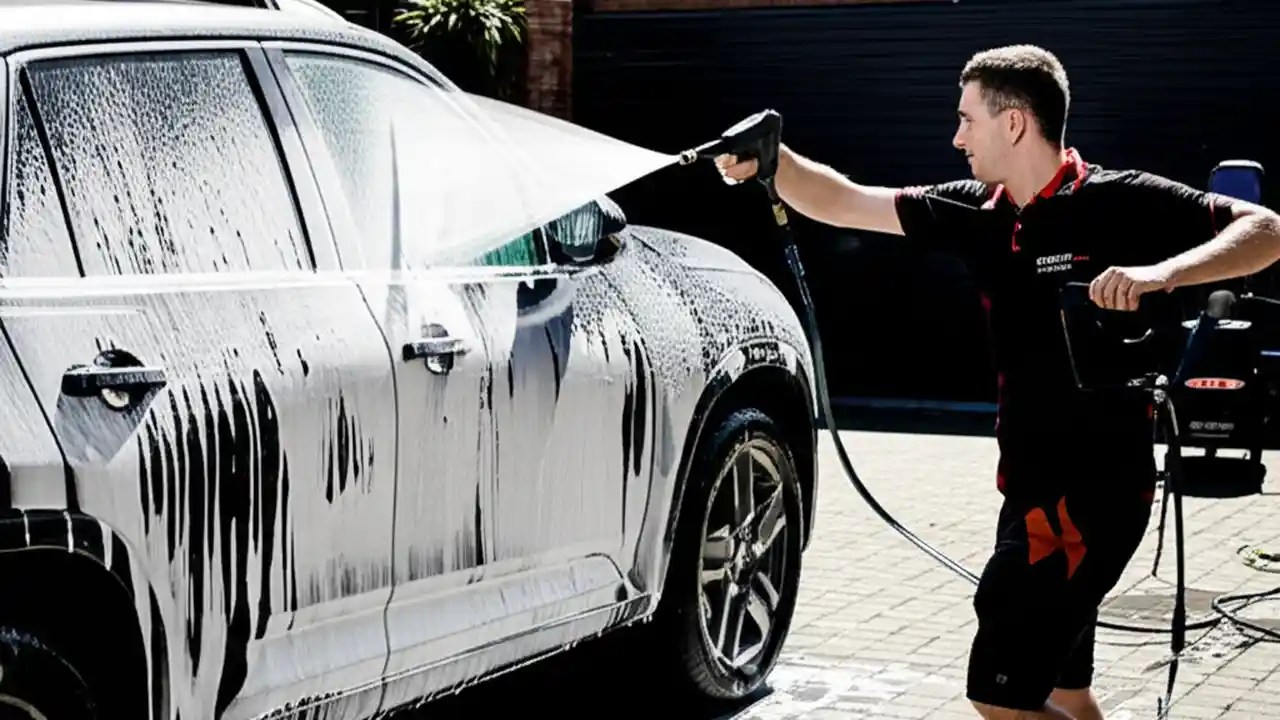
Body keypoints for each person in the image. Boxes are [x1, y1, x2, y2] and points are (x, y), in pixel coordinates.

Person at [715, 44, 1280, 720]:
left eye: (967, 120)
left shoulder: (1118, 199)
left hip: (1091, 498)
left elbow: (1267, 230)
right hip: (1027, 489)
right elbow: (846, 202)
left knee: (997, 695)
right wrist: (775, 161)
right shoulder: (979, 212)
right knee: (1064, 694)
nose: (956, 138)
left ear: (1013, 123)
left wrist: (1163, 275)